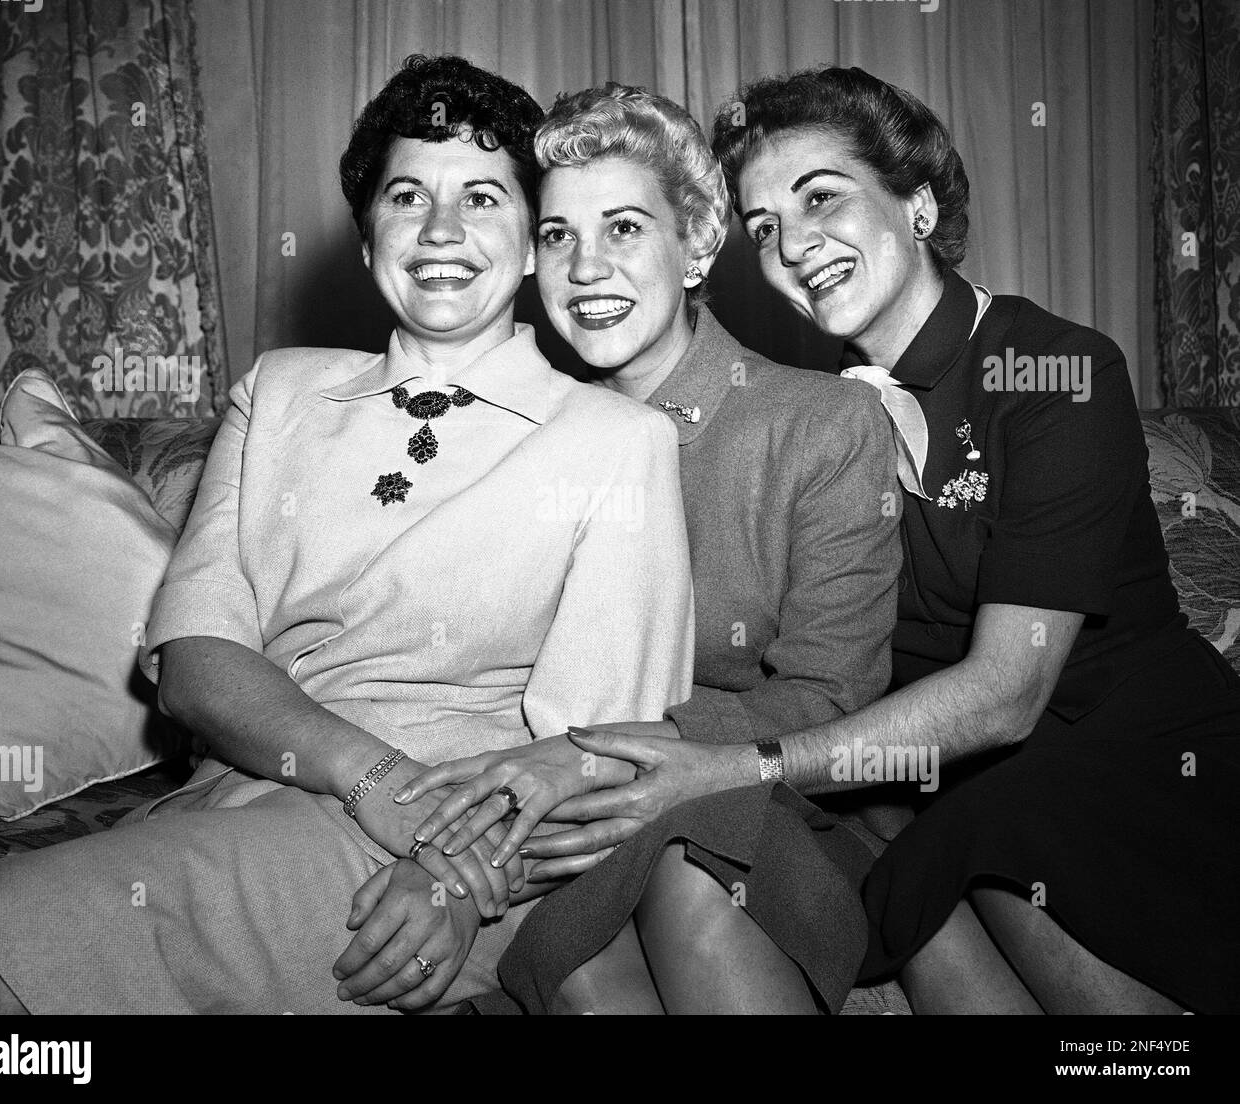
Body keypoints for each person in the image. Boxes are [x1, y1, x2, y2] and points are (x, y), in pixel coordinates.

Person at [0, 55, 693, 1015]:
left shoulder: (616, 442)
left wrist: (457, 877)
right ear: (368, 229)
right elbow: (196, 660)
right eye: (408, 195)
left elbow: (602, 749)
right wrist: (367, 774)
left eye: (485, 199)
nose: (442, 232)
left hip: (448, 856)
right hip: (262, 799)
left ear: (538, 242)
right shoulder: (280, 391)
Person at [484, 65, 1240, 1014]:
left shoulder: (1056, 372)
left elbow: (1006, 695)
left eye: (823, 199)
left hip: (1125, 751)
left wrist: (740, 764)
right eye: (765, 229)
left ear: (918, 206)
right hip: (947, 784)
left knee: (991, 860)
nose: (796, 246)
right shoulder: (823, 415)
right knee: (915, 887)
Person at [391, 83, 905, 1014]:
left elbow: (834, 691)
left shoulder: (822, 423)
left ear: (700, 242)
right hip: (558, 804)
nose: (586, 268)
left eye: (624, 227)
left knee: (685, 873)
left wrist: (600, 753)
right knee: (579, 948)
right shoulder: (503, 428)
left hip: (771, 798)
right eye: (556, 236)